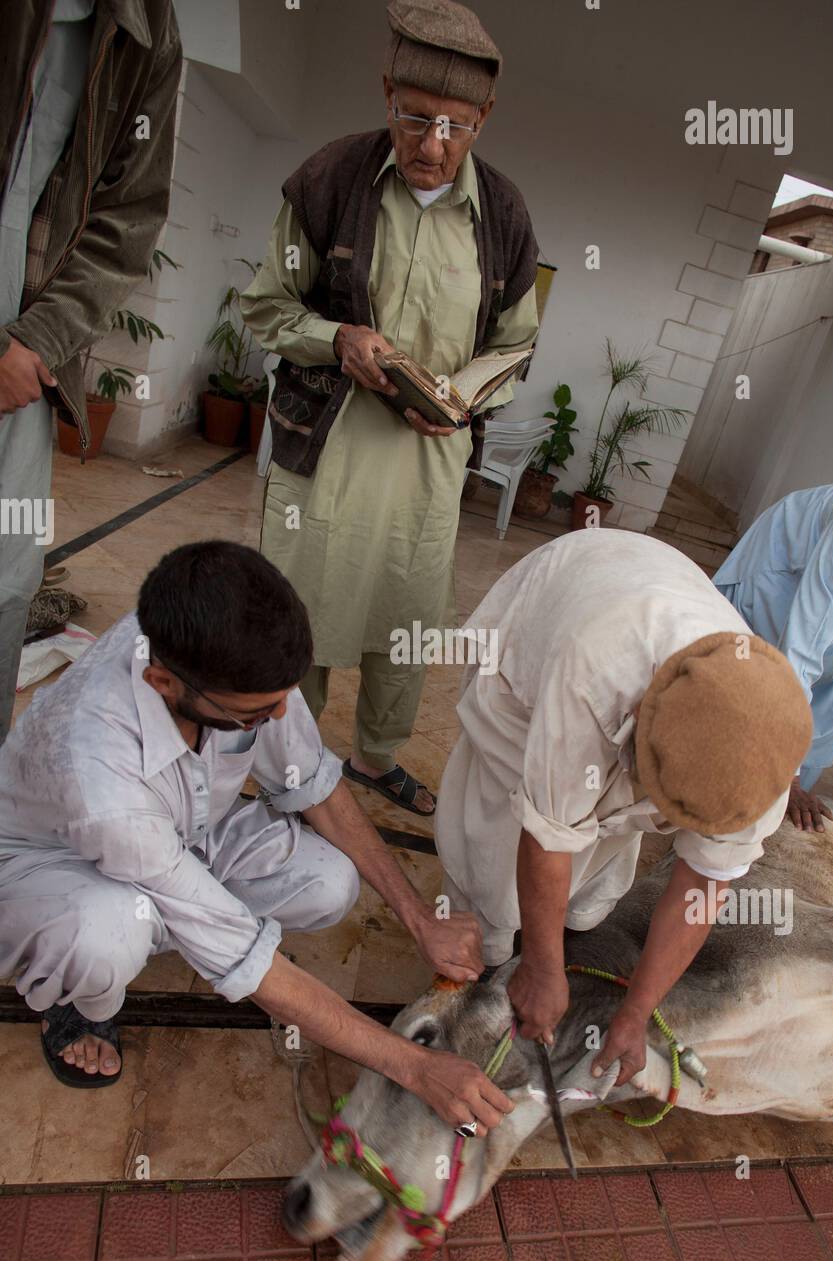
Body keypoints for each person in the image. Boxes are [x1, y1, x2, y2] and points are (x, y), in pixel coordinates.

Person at [0, 542, 511, 1137]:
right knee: (105, 936)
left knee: (330, 882)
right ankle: (74, 997)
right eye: (251, 716)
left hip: (185, 833)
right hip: (53, 865)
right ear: (162, 682)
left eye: (279, 702)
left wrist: (420, 916)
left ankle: (175, 921)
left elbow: (315, 786)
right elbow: (246, 957)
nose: (273, 721)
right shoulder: (98, 774)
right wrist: (418, 1067)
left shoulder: (225, 647)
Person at [240, 0, 540, 817]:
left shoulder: (504, 218)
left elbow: (516, 344)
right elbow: (265, 306)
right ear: (386, 96)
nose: (432, 146)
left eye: (456, 127)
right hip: (325, 456)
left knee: (402, 618)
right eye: (415, 119)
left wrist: (457, 395)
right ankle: (287, 761)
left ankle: (373, 761)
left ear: (484, 120)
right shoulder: (330, 178)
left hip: (427, 465)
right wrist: (337, 337)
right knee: (304, 607)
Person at [434, 529, 813, 1085]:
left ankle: (562, 931)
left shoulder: (763, 758)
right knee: (494, 837)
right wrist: (542, 970)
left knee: (602, 851)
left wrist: (635, 1016)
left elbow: (701, 888)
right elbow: (547, 834)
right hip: (575, 593)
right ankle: (486, 952)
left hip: (651, 598)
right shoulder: (594, 673)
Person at [0, 0, 182, 742]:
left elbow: (125, 223)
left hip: (22, 349)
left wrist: (37, 342)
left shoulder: (150, 30)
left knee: (9, 574)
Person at [714, 481, 833, 832]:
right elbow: (800, 651)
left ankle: (749, 845)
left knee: (818, 737)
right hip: (778, 592)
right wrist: (783, 778)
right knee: (730, 727)